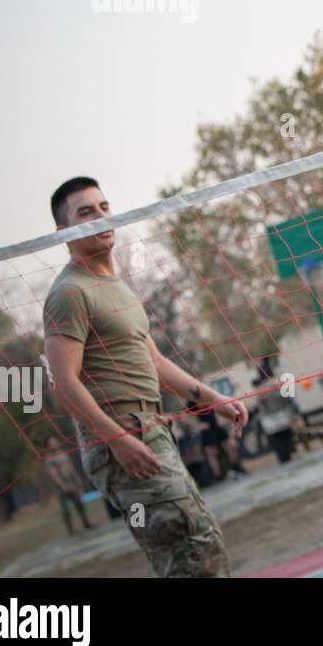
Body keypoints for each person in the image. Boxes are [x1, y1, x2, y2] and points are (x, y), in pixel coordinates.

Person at [42, 176, 245, 577]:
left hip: (151, 426)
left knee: (200, 547)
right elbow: (63, 383)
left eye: (104, 207)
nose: (100, 217)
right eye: (86, 212)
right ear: (64, 231)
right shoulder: (69, 292)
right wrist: (116, 440)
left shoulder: (116, 286)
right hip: (122, 432)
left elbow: (152, 360)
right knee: (193, 555)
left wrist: (213, 399)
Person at [43, 435, 93, 534]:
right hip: (61, 487)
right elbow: (54, 474)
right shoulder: (50, 459)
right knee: (65, 509)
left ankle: (86, 523)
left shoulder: (63, 454)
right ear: (48, 446)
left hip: (71, 483)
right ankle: (71, 530)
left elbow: (71, 468)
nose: (55, 444)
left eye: (55, 442)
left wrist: (77, 480)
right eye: (52, 443)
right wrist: (62, 485)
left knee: (79, 504)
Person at [253, 375, 301, 464]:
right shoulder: (277, 384)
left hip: (271, 420)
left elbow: (261, 407)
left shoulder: (261, 390)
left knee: (257, 426)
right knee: (287, 437)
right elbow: (288, 399)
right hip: (283, 416)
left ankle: (259, 444)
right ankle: (290, 451)